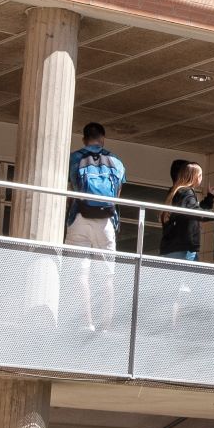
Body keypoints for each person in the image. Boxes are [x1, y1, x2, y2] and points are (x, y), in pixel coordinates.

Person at [65, 122, 125, 331]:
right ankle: (105, 326)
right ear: (103, 138)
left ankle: (85, 323)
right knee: (107, 275)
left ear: (84, 138)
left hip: (79, 218)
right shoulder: (115, 161)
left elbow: (70, 187)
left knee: (80, 274)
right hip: (106, 222)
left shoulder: (74, 158)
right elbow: (116, 196)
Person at [158, 159, 213, 263]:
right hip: (183, 249)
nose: (202, 178)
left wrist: (209, 198)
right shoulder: (187, 192)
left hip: (171, 247)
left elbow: (191, 210)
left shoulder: (177, 192)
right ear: (195, 177)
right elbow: (193, 211)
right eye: (200, 175)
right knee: (184, 278)